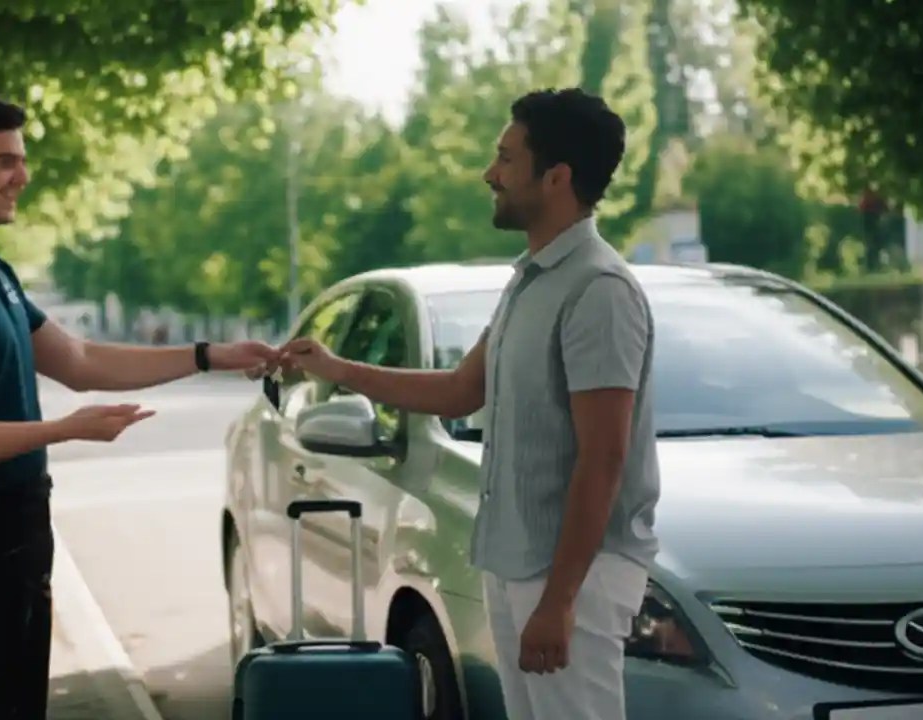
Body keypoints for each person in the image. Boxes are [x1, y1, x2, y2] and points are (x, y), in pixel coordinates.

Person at [0, 90, 279, 719]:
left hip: (16, 525)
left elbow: (81, 361)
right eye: (6, 161)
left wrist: (207, 355)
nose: (23, 177)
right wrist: (60, 430)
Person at [279, 88, 659, 720]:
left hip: (574, 577)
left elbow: (605, 456)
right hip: (518, 562)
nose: (491, 174)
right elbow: (461, 389)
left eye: (506, 159)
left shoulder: (599, 290)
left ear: (556, 177)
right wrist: (339, 369)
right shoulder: (530, 279)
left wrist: (560, 600)